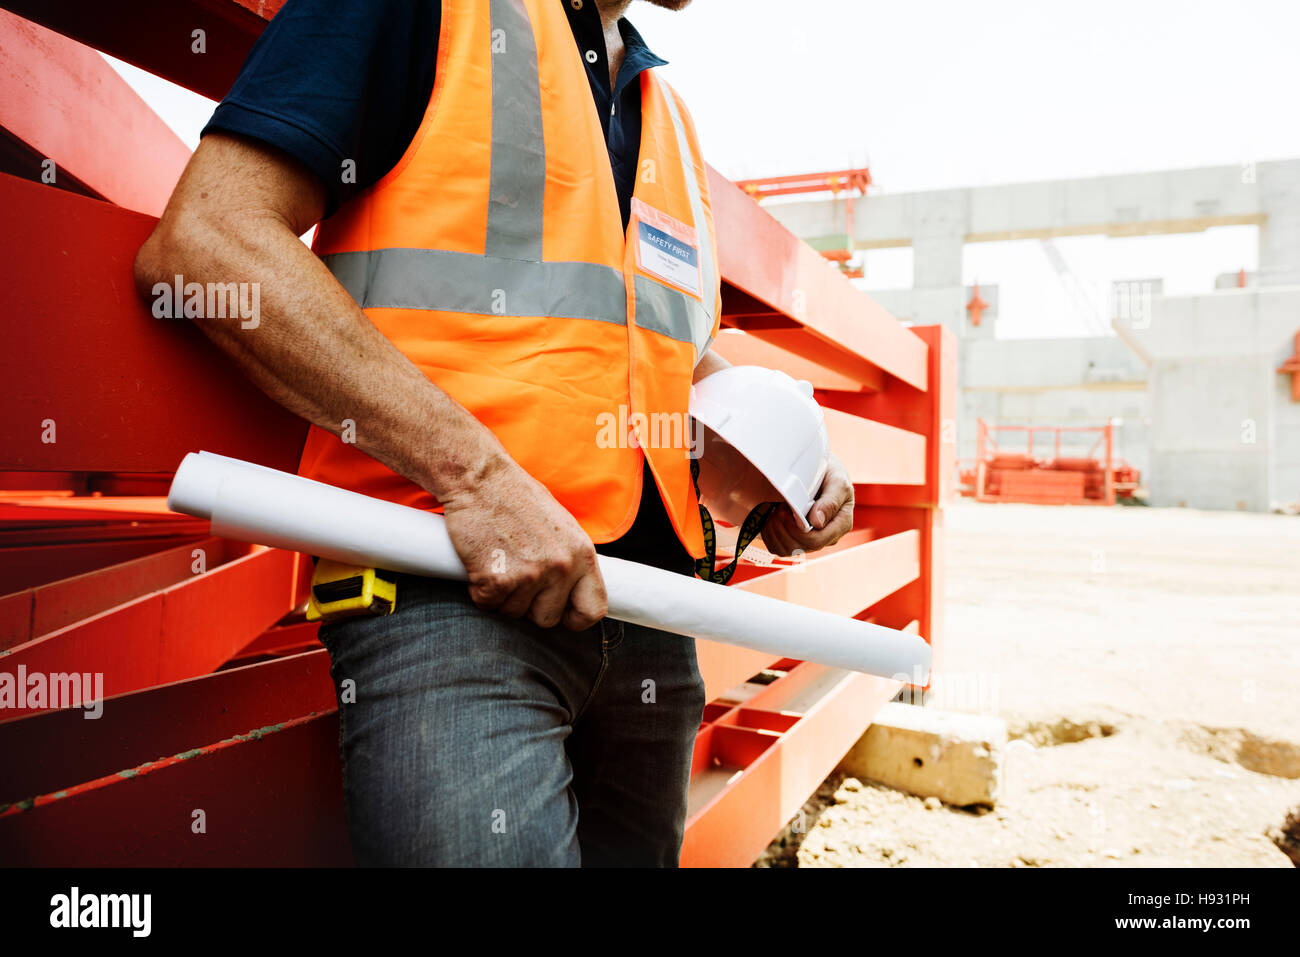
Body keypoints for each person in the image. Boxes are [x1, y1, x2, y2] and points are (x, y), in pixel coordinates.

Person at [134, 0, 854, 866]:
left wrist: (771, 454)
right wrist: (475, 478)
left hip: (651, 616)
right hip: (452, 588)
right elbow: (211, 241)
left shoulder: (666, 109)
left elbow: (660, 348)